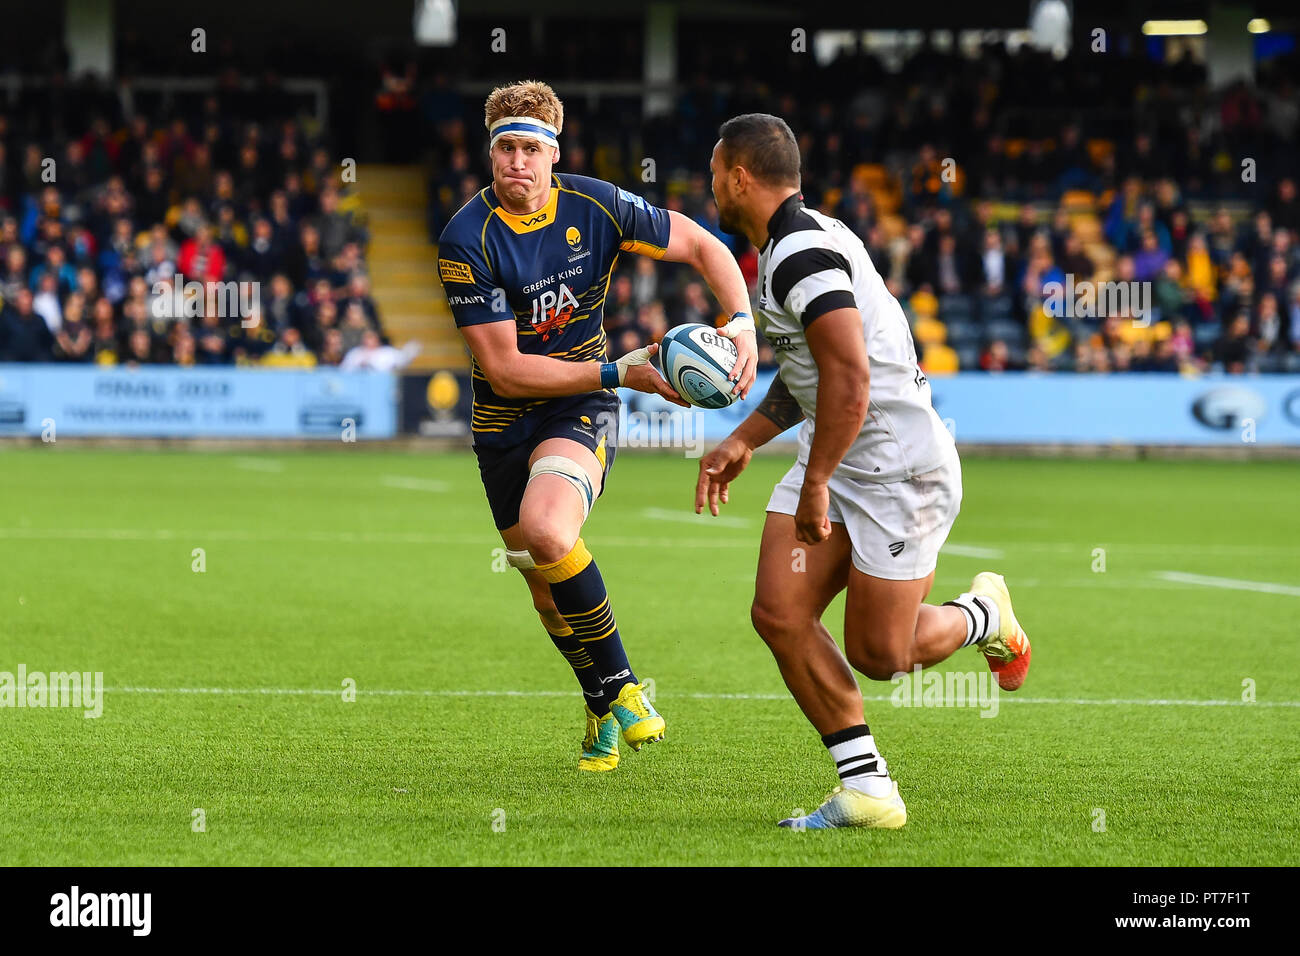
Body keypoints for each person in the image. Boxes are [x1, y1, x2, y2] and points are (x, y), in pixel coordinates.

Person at [696, 113, 1031, 829]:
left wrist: (815, 482)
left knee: (882, 654)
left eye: (715, 171)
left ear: (740, 177)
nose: (710, 184)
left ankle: (983, 615)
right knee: (779, 613)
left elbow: (850, 383)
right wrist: (745, 439)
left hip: (897, 471)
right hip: (841, 451)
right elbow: (810, 375)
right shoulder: (792, 244)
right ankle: (869, 790)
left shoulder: (799, 257)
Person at [436, 80, 758, 772]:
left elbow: (704, 245)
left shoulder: (598, 204)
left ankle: (624, 691)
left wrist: (741, 322)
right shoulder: (467, 237)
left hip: (579, 405)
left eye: (530, 148)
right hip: (505, 421)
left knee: (552, 530)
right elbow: (508, 372)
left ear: (554, 153)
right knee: (548, 600)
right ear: (490, 153)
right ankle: (598, 702)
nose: (517, 162)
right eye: (505, 148)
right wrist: (624, 370)